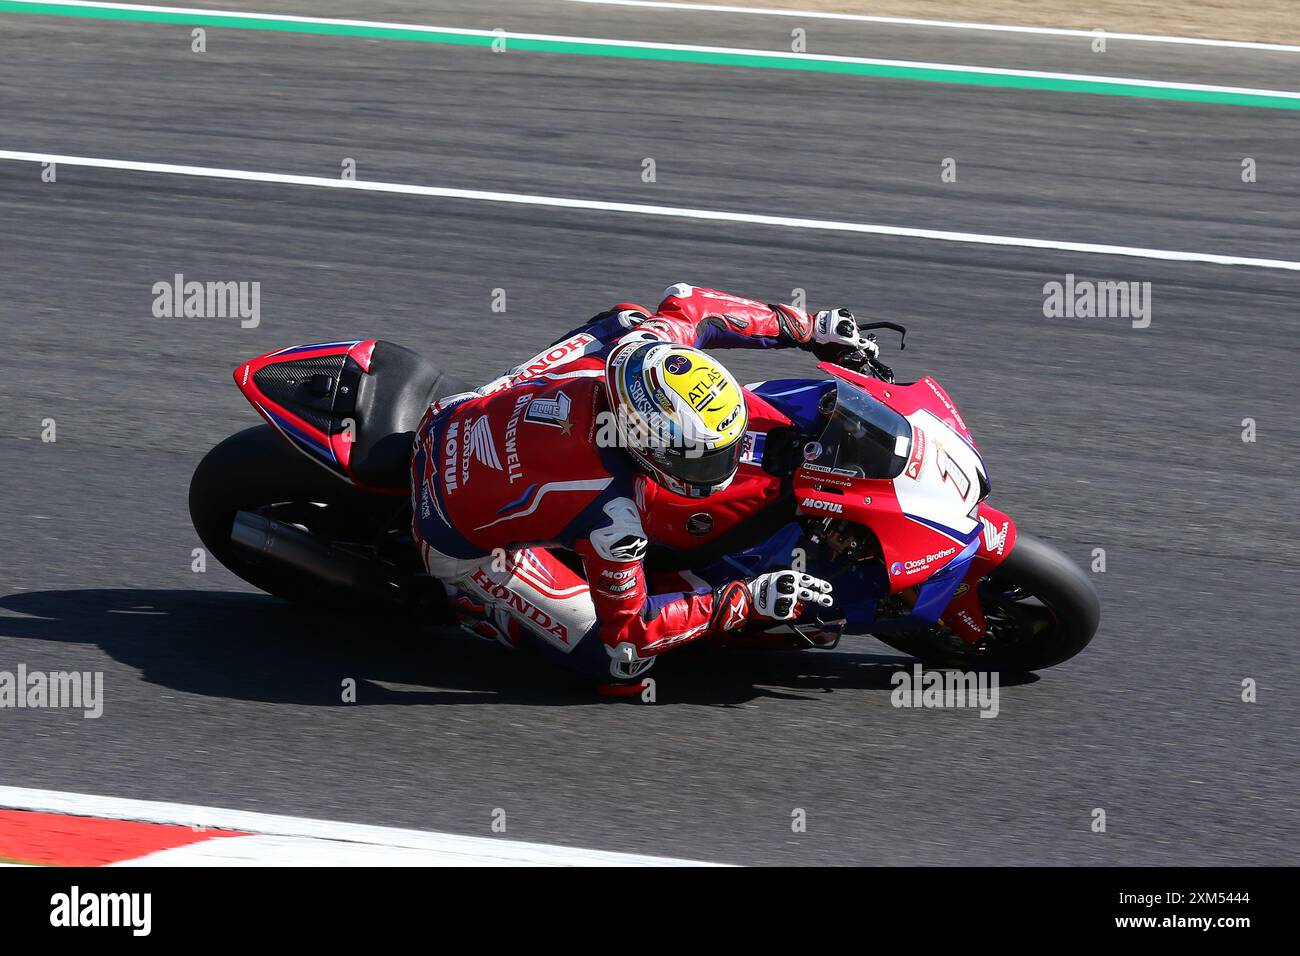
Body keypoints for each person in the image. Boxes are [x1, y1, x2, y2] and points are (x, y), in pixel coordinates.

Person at [410, 283, 876, 689]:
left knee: (621, 319)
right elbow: (632, 631)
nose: (725, 464)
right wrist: (746, 599)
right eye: (705, 456)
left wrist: (811, 328)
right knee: (622, 667)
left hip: (455, 414)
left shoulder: (642, 346)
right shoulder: (614, 518)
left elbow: (690, 303)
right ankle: (482, 609)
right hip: (449, 532)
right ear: (646, 444)